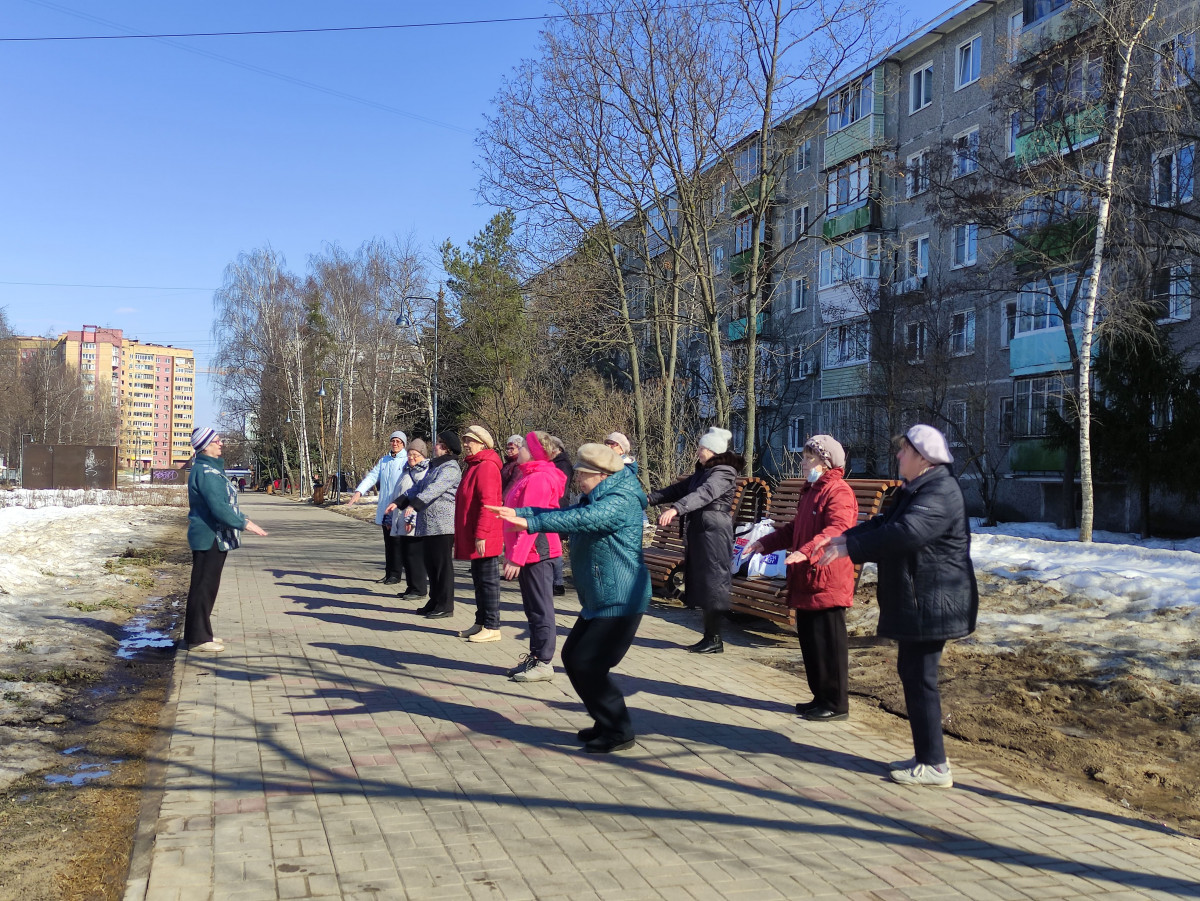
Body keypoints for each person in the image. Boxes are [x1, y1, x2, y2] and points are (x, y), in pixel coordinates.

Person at [814, 424, 978, 788]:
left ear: (922, 457)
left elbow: (907, 533)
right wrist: (844, 538)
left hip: (934, 602)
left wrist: (848, 549)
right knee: (915, 675)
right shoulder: (917, 488)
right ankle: (928, 757)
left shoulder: (940, 490)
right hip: (923, 600)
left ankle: (934, 764)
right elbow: (885, 523)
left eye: (903, 451)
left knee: (921, 678)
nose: (898, 456)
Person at [489, 443, 649, 753]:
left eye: (581, 475)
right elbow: (566, 513)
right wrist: (520, 512)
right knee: (574, 658)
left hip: (621, 597)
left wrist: (531, 522)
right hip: (600, 598)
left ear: (600, 475)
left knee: (587, 663)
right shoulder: (597, 495)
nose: (577, 480)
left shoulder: (620, 500)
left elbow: (580, 520)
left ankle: (619, 729)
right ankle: (605, 721)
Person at [743, 435, 858, 722]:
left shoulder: (838, 491)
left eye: (809, 458)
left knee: (828, 643)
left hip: (827, 577)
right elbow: (796, 528)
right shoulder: (811, 491)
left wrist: (807, 552)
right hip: (807, 576)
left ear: (826, 461)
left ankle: (836, 702)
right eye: (804, 457)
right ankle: (820, 696)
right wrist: (765, 543)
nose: (803, 463)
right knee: (810, 642)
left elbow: (838, 529)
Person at [647, 426, 742, 653]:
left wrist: (677, 509)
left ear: (713, 450)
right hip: (701, 530)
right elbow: (678, 489)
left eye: (702, 448)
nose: (698, 451)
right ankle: (709, 636)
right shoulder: (703, 471)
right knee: (704, 581)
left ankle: (715, 639)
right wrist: (648, 498)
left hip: (715, 531)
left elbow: (705, 493)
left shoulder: (724, 472)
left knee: (714, 582)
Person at [184, 428, 268, 652]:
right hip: (208, 537)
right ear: (204, 446)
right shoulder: (206, 473)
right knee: (203, 587)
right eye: (217, 441)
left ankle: (201, 633)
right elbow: (219, 507)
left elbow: (224, 505)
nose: (221, 444)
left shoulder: (210, 469)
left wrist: (241, 518)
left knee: (207, 586)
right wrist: (245, 524)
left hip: (214, 536)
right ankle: (198, 639)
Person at [498, 431, 566, 681]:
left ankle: (545, 662)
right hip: (528, 551)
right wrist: (511, 553)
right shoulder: (528, 475)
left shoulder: (539, 478)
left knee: (541, 608)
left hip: (538, 550)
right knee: (531, 608)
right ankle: (536, 657)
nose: (519, 449)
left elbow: (531, 521)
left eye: (524, 446)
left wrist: (516, 556)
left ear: (535, 451)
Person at [388, 431, 462, 618]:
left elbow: (433, 490)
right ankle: (434, 600)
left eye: (438, 443)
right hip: (429, 525)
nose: (434, 446)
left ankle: (445, 605)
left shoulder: (450, 468)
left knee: (441, 567)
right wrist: (400, 502)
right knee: (431, 565)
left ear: (446, 448)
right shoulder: (434, 466)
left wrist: (414, 505)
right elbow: (418, 487)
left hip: (442, 525)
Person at [455, 426, 505, 642]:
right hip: (476, 533)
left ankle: (493, 626)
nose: (466, 444)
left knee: (488, 581)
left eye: (471, 441)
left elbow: (489, 504)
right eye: (465, 440)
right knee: (478, 579)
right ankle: (481, 622)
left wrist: (482, 534)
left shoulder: (486, 467)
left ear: (483, 444)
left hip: (485, 534)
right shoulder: (474, 466)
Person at [348, 431, 409, 585]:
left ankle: (396, 574)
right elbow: (372, 477)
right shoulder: (384, 460)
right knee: (388, 542)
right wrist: (359, 491)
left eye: (398, 441)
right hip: (385, 507)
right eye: (393, 441)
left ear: (403, 444)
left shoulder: (407, 460)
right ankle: (389, 573)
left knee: (396, 542)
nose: (395, 444)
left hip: (399, 506)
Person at [389, 438, 430, 599]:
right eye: (409, 454)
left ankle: (419, 589)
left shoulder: (424, 471)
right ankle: (411, 586)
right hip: (402, 517)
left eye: (415, 455)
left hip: (414, 519)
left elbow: (421, 496)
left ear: (423, 455)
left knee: (415, 555)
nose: (411, 457)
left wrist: (412, 518)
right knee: (406, 555)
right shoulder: (407, 470)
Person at [547, 436, 574, 596]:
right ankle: (553, 581)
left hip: (558, 508)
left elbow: (560, 488)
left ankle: (558, 583)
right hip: (554, 508)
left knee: (555, 547)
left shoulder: (563, 464)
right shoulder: (556, 463)